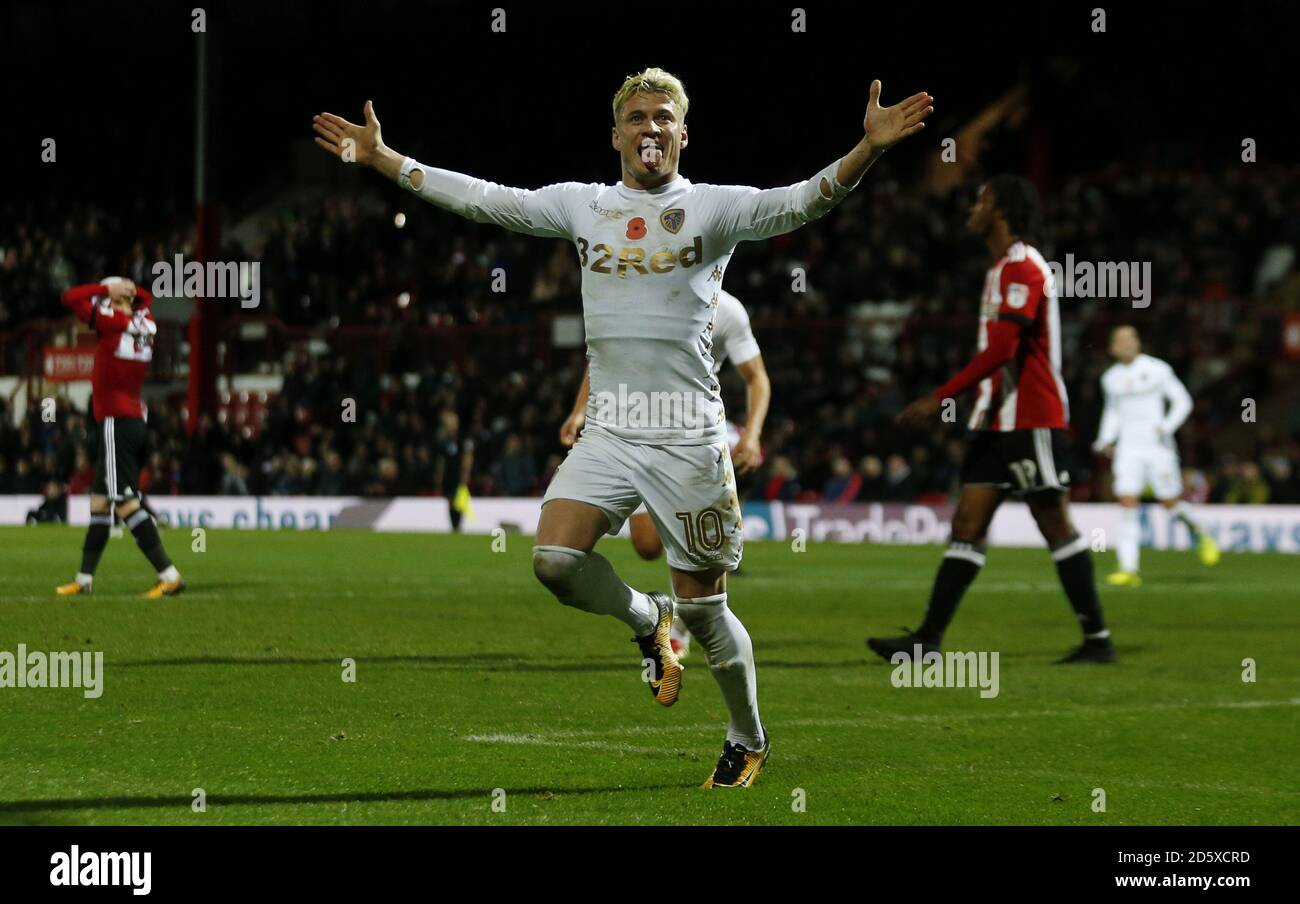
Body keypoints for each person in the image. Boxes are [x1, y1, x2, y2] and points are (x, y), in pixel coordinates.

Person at [313, 69, 932, 786]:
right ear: (616, 134)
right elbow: (484, 200)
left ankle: (747, 736)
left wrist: (868, 149)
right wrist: (387, 159)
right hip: (610, 428)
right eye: (637, 117)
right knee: (553, 560)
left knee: (708, 611)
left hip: (688, 437)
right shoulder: (584, 206)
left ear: (683, 133)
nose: (651, 128)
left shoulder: (712, 209)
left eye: (664, 117)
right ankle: (646, 618)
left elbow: (801, 203)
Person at [872, 176, 1114, 664]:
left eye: (980, 201)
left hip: (1029, 417)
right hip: (995, 420)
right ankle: (927, 641)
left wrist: (937, 398)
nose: (971, 210)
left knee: (1053, 522)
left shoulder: (1024, 266)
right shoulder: (1001, 269)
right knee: (967, 522)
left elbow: (1004, 350)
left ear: (1000, 209)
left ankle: (1097, 640)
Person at [558, 288, 771, 659]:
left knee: (700, 551)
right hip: (631, 427)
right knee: (647, 546)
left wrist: (751, 435)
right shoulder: (638, 294)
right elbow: (605, 357)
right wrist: (579, 411)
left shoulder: (729, 311)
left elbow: (757, 377)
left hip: (693, 437)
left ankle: (683, 634)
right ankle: (658, 613)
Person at [55, 278, 184, 598]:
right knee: (100, 503)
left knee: (125, 503)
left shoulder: (113, 324)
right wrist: (127, 290)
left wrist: (103, 288)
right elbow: (146, 298)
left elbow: (69, 297)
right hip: (131, 418)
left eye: (112, 301)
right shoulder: (146, 322)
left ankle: (169, 574)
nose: (106, 305)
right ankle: (84, 579)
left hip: (117, 421)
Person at [1093, 325, 1220, 585]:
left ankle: (1199, 532)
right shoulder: (1110, 378)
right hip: (1128, 448)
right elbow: (1113, 412)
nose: (1126, 344)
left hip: (1157, 446)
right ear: (1112, 348)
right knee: (1127, 502)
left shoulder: (1157, 369)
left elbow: (1183, 400)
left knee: (1169, 503)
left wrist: (1167, 426)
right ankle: (1128, 569)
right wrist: (1105, 438)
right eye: (1120, 340)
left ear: (1138, 343)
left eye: (1131, 338)